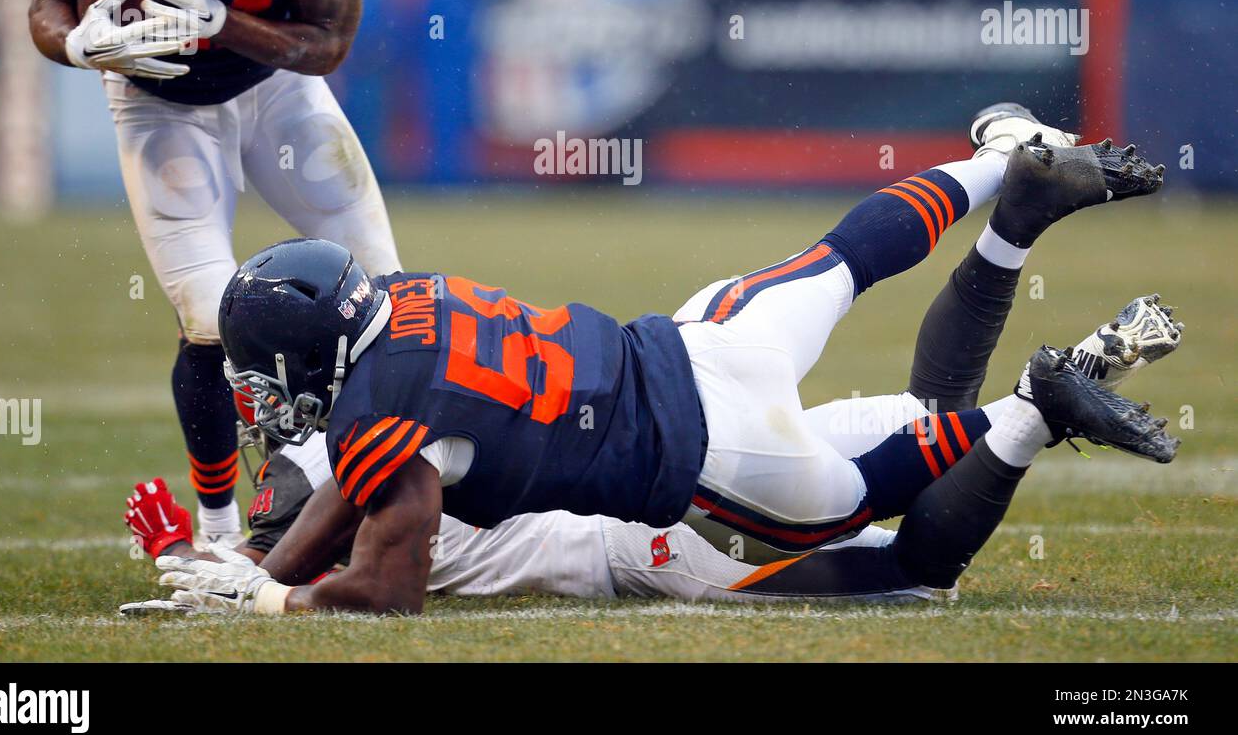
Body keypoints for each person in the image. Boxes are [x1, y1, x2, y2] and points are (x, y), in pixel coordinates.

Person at [144, 104, 1179, 615]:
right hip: (691, 339)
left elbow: (388, 573)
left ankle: (1034, 407)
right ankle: (1000, 154)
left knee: (904, 551)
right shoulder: (410, 297)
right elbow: (349, 491)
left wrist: (261, 587)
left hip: (707, 460)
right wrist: (246, 562)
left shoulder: (371, 425)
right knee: (840, 258)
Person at [120, 286, 1180, 613]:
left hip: (641, 529)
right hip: (668, 441)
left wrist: (239, 573)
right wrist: (230, 555)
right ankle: (1058, 353)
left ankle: (1040, 406)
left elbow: (338, 554)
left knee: (912, 575)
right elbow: (301, 527)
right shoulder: (382, 384)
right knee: (915, 418)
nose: (259, 415)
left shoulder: (349, 455)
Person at [27, 0, 401, 545]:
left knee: (387, 297)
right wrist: (81, 45)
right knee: (212, 313)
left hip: (277, 93)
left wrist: (224, 24)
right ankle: (224, 527)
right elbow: (47, 8)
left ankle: (397, 502)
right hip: (158, 102)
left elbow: (329, 43)